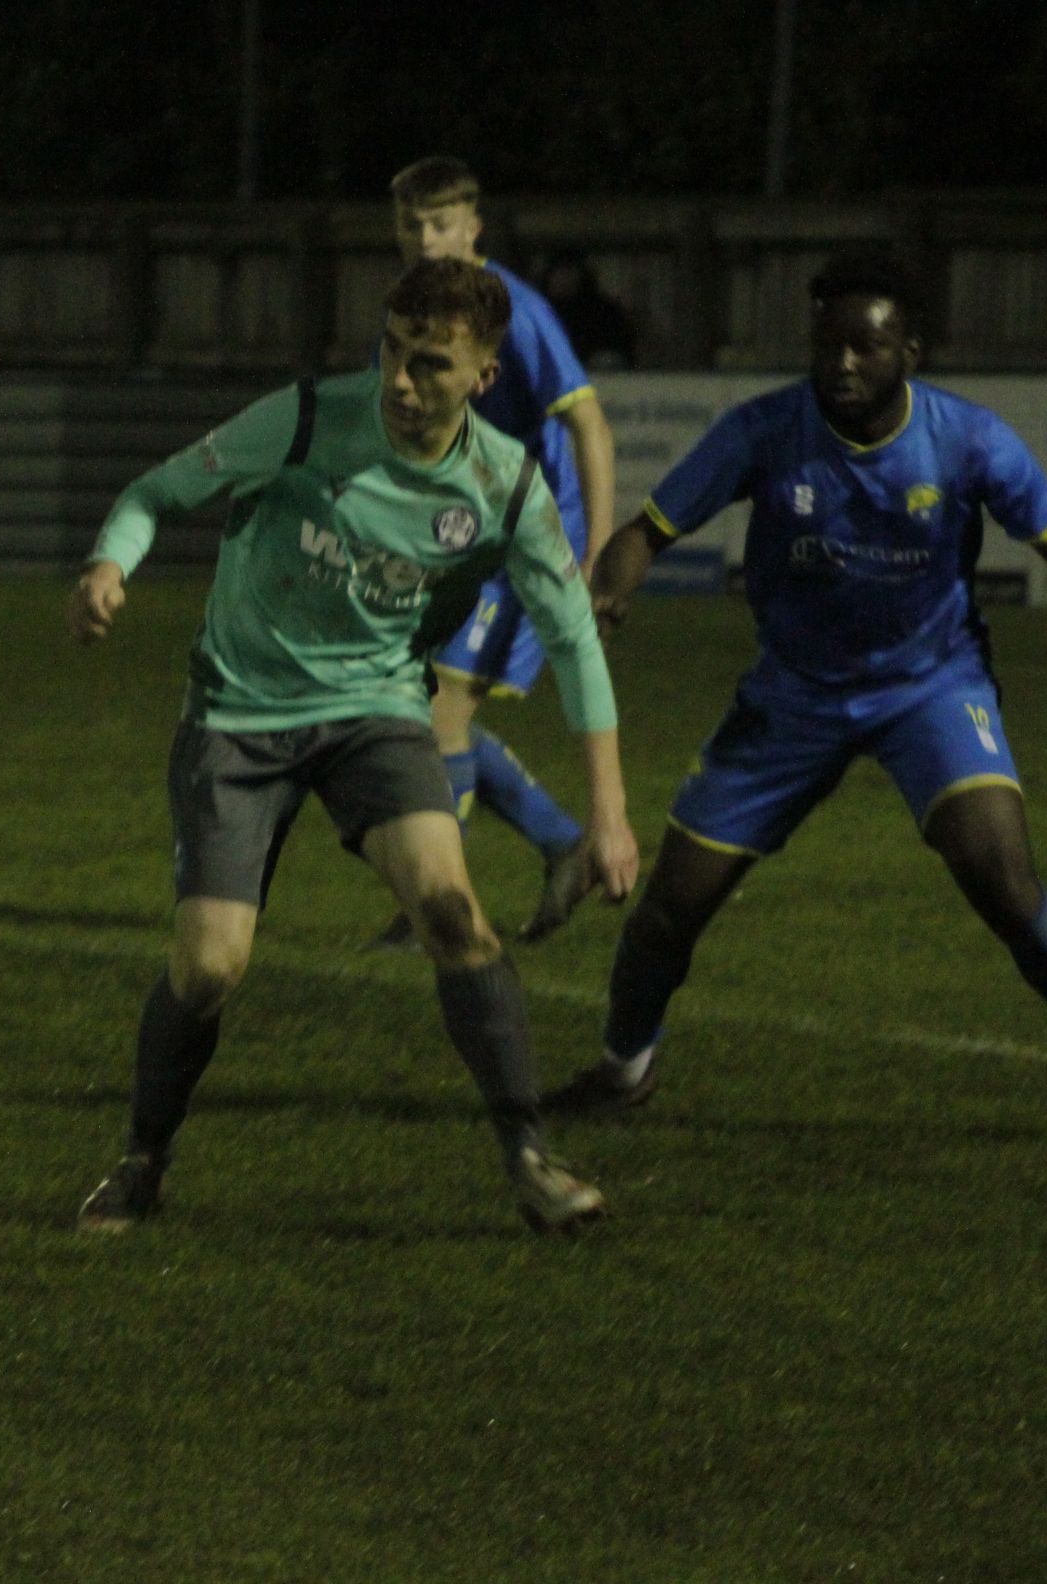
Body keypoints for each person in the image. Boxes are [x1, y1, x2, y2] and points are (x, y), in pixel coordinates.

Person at [541, 250, 1047, 1146]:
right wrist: (615, 585)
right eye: (828, 344)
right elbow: (645, 532)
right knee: (673, 903)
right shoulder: (762, 431)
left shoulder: (969, 441)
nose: (843, 364)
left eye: (866, 346)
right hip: (793, 695)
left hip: (929, 687)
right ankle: (623, 1072)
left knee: (1004, 880)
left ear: (912, 348)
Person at [68, 258, 641, 1237]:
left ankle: (532, 1159)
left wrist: (612, 813)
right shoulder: (301, 419)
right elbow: (153, 493)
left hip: (375, 711)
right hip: (238, 716)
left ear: (482, 378)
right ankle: (140, 1163)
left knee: (454, 912)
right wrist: (108, 566)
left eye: (429, 365)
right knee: (209, 968)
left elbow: (576, 639)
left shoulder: (503, 485)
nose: (401, 383)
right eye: (390, 354)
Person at [374, 155, 619, 948]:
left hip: (529, 533)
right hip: (458, 530)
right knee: (413, 708)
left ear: (473, 228)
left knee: (440, 707)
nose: (426, 238)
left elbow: (588, 424)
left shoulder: (516, 311)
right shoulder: (409, 311)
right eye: (412, 223)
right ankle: (562, 844)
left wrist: (598, 552)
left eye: (442, 223)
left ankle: (436, 905)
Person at [540, 249, 638, 371]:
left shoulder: (604, 311)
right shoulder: (538, 312)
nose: (563, 279)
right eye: (558, 273)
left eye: (569, 272)